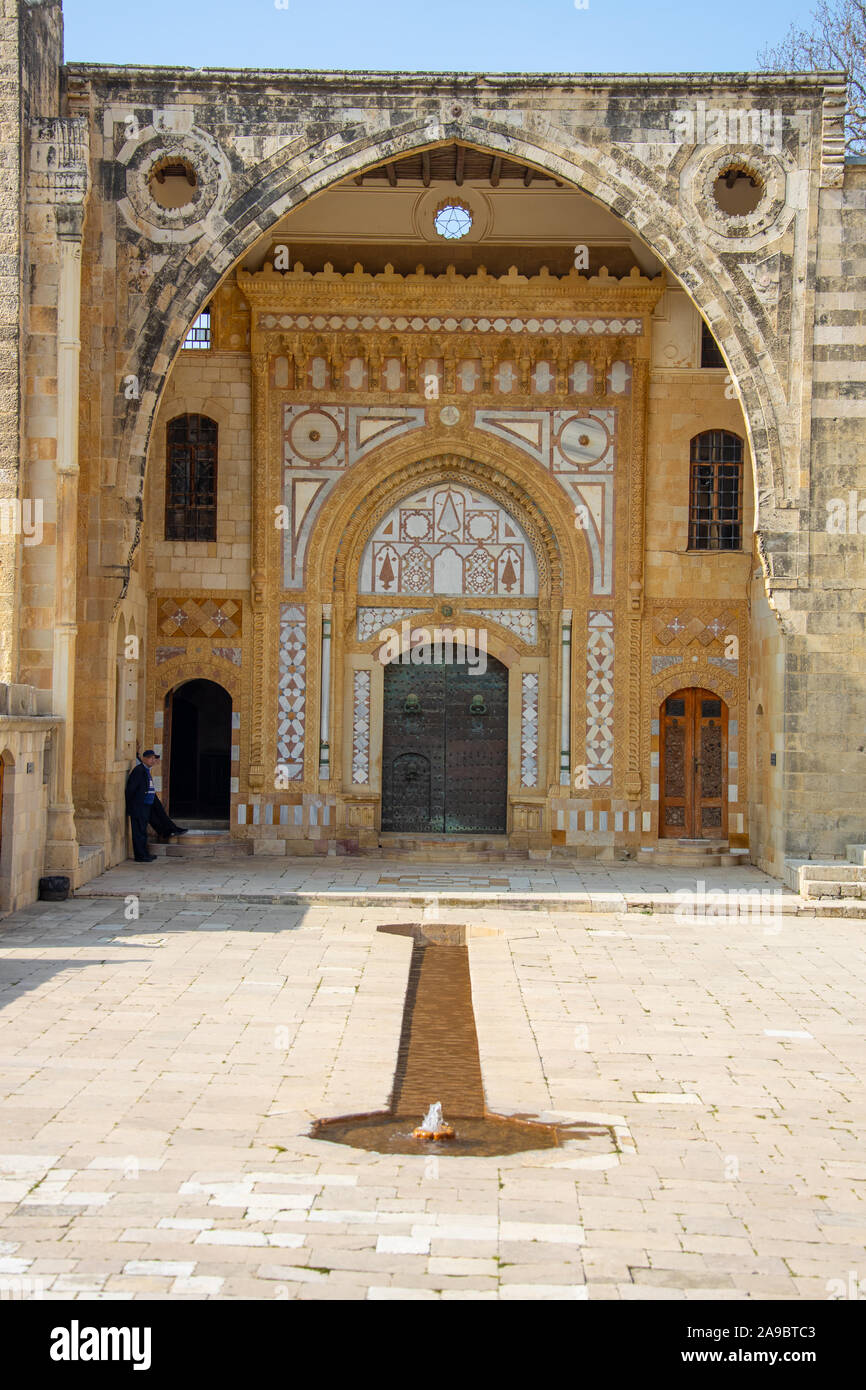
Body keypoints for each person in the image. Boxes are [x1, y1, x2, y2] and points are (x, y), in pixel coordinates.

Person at [125, 750, 160, 862]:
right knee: (138, 831)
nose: (152, 760)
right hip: (139, 807)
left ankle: (145, 853)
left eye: (154, 758)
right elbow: (131, 789)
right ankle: (140, 856)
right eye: (150, 758)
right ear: (144, 758)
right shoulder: (139, 771)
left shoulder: (146, 771)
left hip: (145, 806)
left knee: (143, 831)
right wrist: (134, 805)